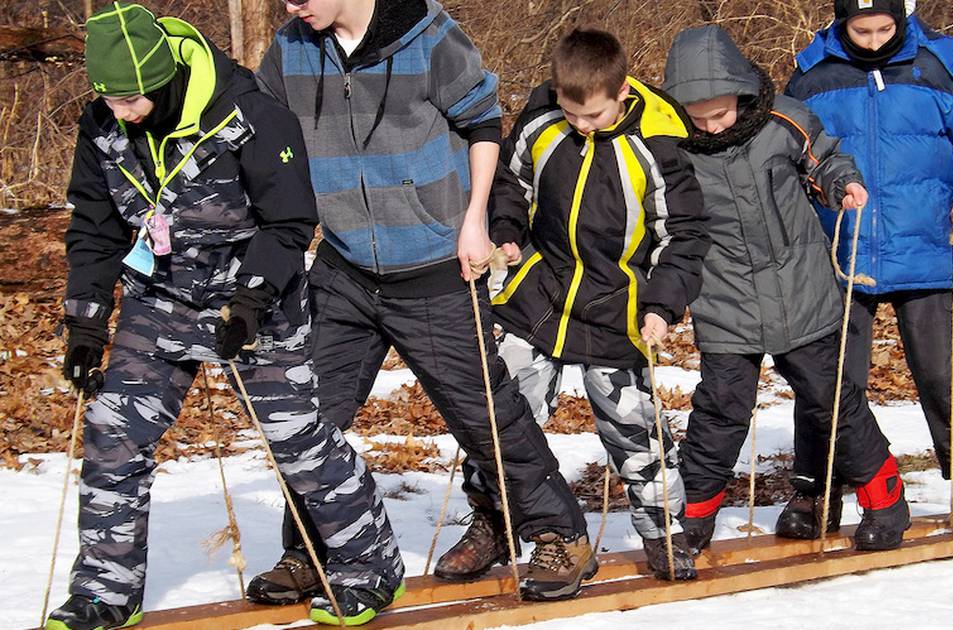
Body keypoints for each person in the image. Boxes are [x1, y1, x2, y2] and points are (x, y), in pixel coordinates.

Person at [50, 3, 403, 628]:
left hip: (254, 300)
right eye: (108, 99)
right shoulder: (101, 122)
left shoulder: (254, 113)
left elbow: (290, 222)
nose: (119, 112)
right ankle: (106, 590)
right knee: (113, 436)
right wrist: (85, 319)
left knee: (297, 442)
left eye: (131, 99)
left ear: (163, 82)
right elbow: (95, 224)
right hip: (159, 299)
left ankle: (368, 566)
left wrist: (249, 303)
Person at [252, 0, 590, 605]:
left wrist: (474, 222)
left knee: (484, 412)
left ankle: (561, 534)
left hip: (435, 265)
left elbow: (484, 124)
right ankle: (310, 548)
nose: (291, 5)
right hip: (345, 266)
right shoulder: (290, 49)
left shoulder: (430, 37)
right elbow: (262, 134)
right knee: (312, 418)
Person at [662, 25, 912, 553]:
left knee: (832, 401)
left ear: (742, 92)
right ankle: (695, 514)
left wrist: (843, 183)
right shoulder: (670, 149)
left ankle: (884, 496)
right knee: (720, 409)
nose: (709, 125)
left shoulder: (785, 121)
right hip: (725, 299)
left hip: (802, 290)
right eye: (697, 117)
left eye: (720, 113)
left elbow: (826, 158)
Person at [479, 28, 710, 587]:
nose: (582, 124)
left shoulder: (656, 149)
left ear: (622, 93)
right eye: (571, 111)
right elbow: (510, 184)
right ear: (557, 91)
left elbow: (683, 234)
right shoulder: (540, 126)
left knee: (635, 429)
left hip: (619, 306)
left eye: (596, 115)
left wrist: (662, 304)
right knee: (503, 415)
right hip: (537, 294)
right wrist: (506, 231)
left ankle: (663, 531)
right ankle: (489, 522)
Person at [785, 0, 953, 534]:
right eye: (858, 30)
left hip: (930, 239)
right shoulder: (812, 73)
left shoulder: (938, 64)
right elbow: (792, 152)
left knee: (942, 371)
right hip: (843, 248)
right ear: (841, 22)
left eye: (883, 28)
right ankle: (818, 488)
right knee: (831, 377)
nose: (870, 40)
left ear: (902, 19)